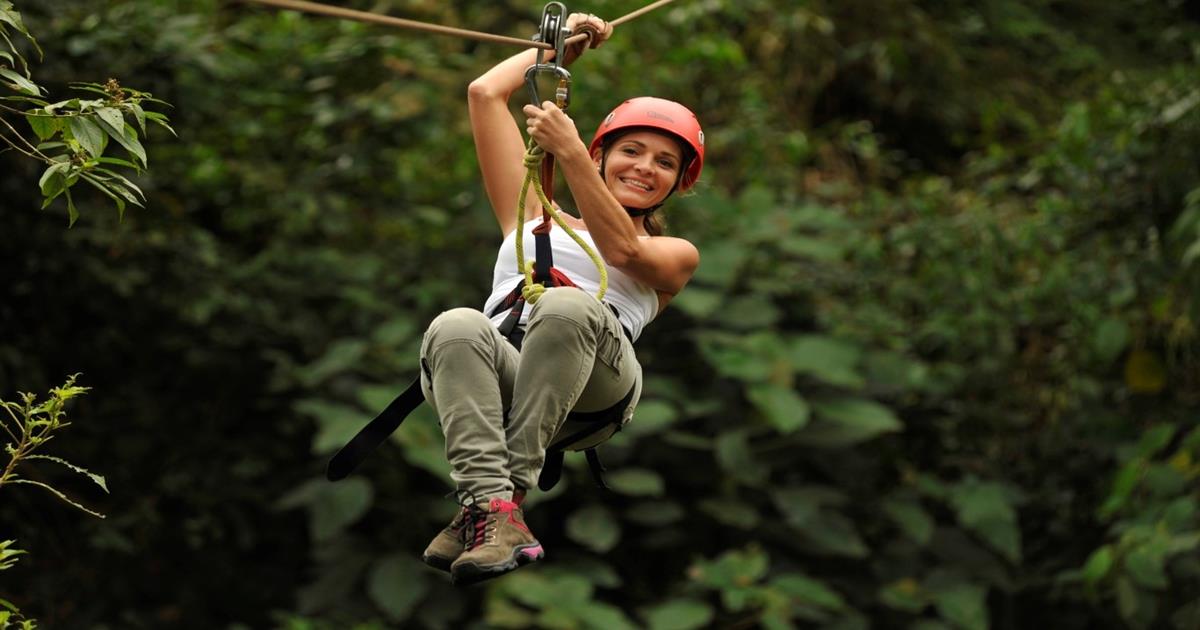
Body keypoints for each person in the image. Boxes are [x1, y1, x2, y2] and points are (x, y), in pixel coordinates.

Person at [417, 13, 705, 586]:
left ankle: (510, 495)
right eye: (631, 150)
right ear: (604, 155)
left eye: (664, 162)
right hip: (504, 372)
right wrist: (553, 54)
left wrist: (570, 153)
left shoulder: (675, 253)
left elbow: (622, 252)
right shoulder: (531, 217)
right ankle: (487, 507)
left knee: (566, 305)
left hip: (593, 390)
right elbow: (485, 94)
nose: (645, 167)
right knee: (455, 323)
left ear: (680, 183)